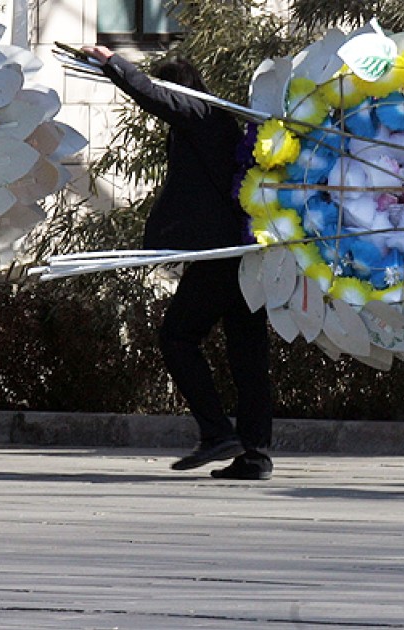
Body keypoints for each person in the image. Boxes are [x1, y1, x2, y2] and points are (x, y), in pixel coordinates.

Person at [83, 46, 275, 481]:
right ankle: (255, 455)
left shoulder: (200, 114)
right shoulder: (217, 121)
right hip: (242, 254)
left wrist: (114, 64)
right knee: (248, 357)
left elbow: (154, 95)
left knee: (177, 336)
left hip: (221, 258)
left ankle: (217, 432)